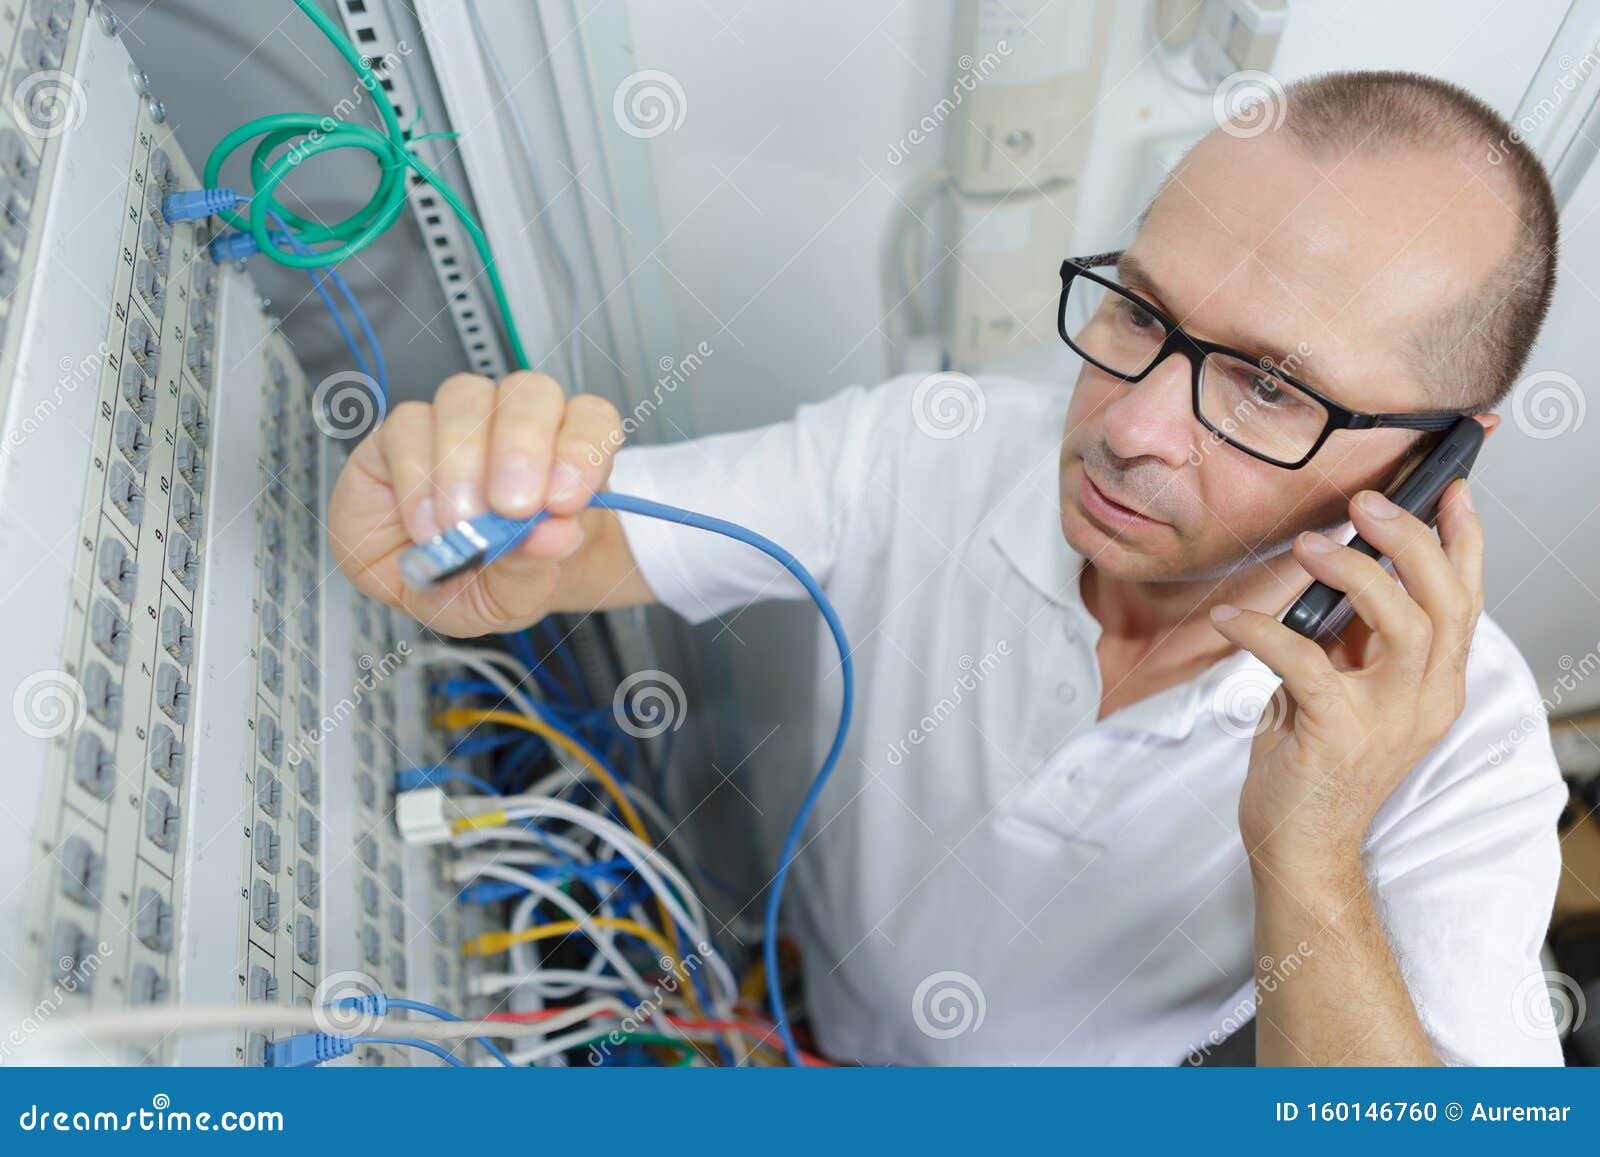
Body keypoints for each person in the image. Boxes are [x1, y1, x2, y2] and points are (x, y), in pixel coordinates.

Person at [329, 71, 1568, 1065]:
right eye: (1139, 311)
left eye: (1267, 385)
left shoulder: (1468, 751)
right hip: (801, 1009)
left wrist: (1314, 849)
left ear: (1439, 461)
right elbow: (586, 539)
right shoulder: (941, 445)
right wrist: (472, 512)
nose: (1127, 428)